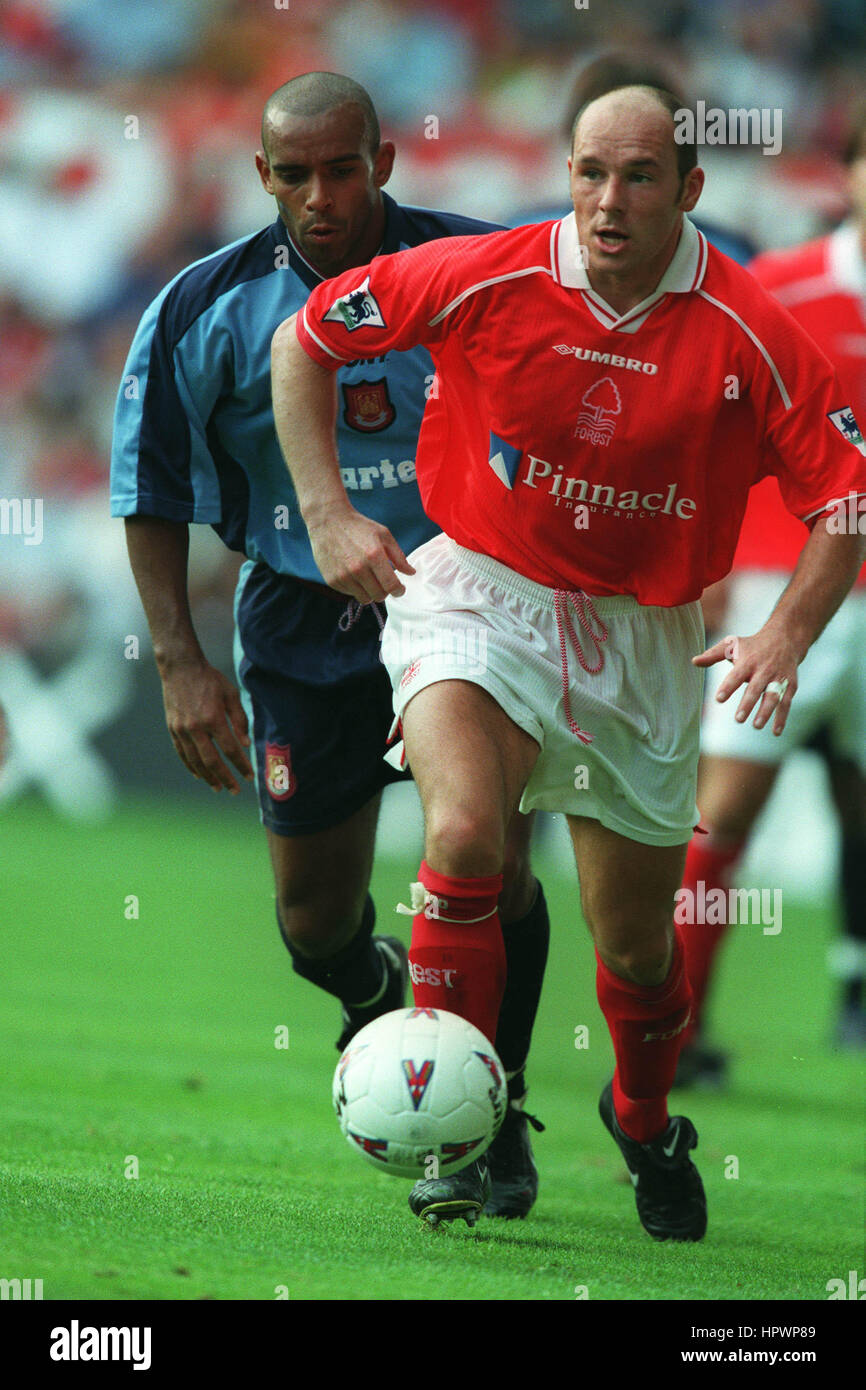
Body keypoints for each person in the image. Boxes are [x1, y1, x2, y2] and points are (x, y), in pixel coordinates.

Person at [271, 83, 866, 1241]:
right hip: (478, 595)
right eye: (589, 171)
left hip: (639, 644)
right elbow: (307, 341)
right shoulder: (488, 272)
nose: (606, 200)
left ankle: (642, 1116)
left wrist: (786, 633)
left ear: (688, 191)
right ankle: (461, 1128)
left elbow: (842, 500)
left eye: (638, 176)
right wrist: (326, 512)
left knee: (637, 949)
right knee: (460, 839)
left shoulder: (746, 327)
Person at [110, 72, 552, 1225]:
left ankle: (490, 1123)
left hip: (464, 608)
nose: (320, 195)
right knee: (311, 924)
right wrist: (178, 659)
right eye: (293, 174)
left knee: (483, 855)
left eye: (341, 168)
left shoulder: (476, 269)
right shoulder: (201, 308)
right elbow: (149, 489)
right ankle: (391, 1003)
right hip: (301, 621)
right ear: (260, 175)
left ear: (384, 161)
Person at [677, 103, 866, 1080]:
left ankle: (851, 986)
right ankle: (677, 1016)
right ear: (849, 171)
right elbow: (710, 425)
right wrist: (705, 563)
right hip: (774, 581)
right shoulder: (780, 288)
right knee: (725, 804)